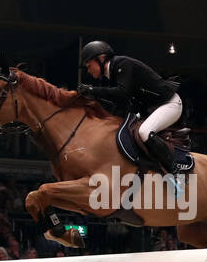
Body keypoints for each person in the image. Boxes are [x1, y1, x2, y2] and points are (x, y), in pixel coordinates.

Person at [76, 41, 183, 174]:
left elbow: (122, 93)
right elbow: (121, 102)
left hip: (169, 104)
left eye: (89, 65)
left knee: (144, 132)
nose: (88, 70)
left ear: (101, 58)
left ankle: (175, 170)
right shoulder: (112, 74)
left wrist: (93, 90)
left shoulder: (122, 64)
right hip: (151, 109)